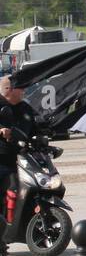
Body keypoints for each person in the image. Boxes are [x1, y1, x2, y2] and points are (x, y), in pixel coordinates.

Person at [0, 76, 38, 218]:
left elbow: (35, 126)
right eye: (20, 87)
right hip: (2, 159)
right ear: (9, 90)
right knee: (11, 186)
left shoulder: (24, 107)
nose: (24, 90)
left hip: (20, 157)